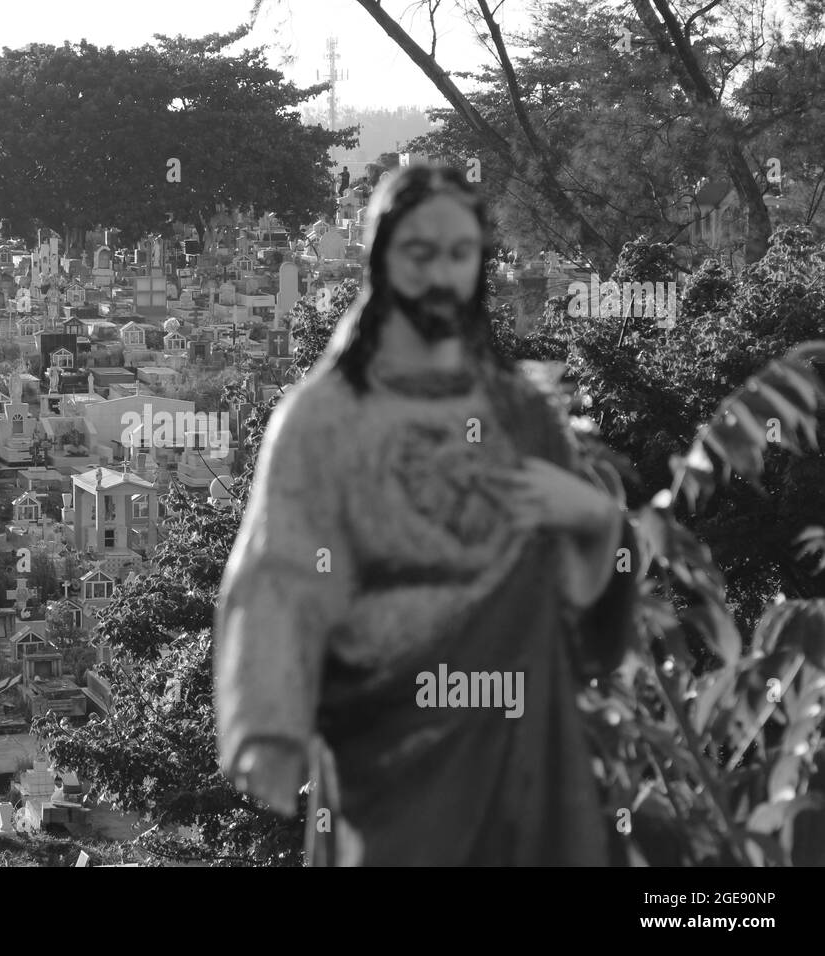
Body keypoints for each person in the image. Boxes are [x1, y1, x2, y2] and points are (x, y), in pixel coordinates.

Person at [214, 164, 637, 866]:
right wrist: (271, 726)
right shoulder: (322, 418)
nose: (442, 274)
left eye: (460, 254)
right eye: (421, 253)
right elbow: (281, 572)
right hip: (385, 735)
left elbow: (576, 602)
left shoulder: (519, 411)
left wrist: (596, 520)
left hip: (517, 732)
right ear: (382, 259)